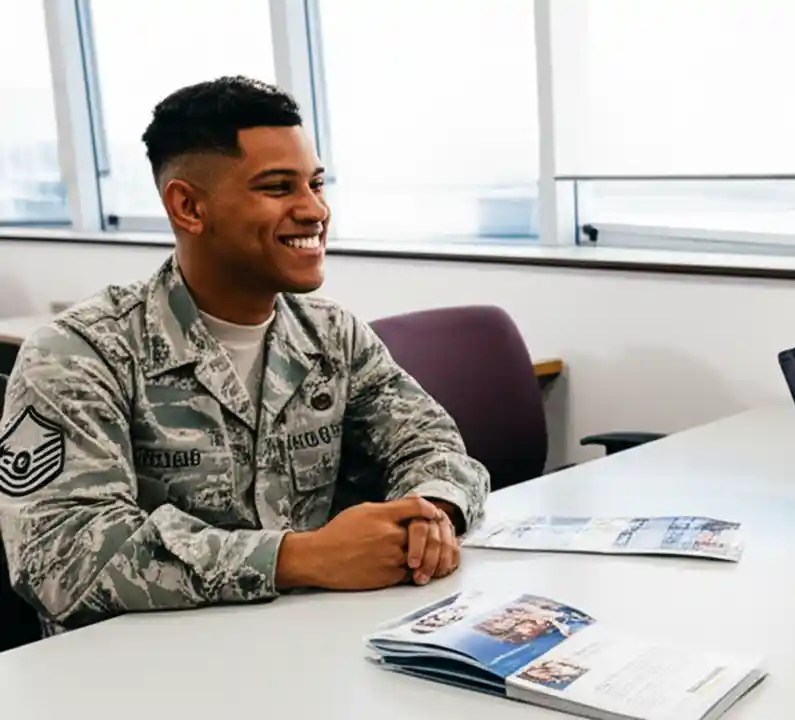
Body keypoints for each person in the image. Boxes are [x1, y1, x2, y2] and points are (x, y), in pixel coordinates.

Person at [0, 76, 490, 633]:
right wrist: (302, 558)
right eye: (279, 188)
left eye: (317, 184)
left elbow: (431, 443)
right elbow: (61, 557)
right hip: (142, 673)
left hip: (301, 646)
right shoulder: (80, 353)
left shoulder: (331, 336)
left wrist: (431, 514)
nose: (314, 211)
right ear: (188, 206)